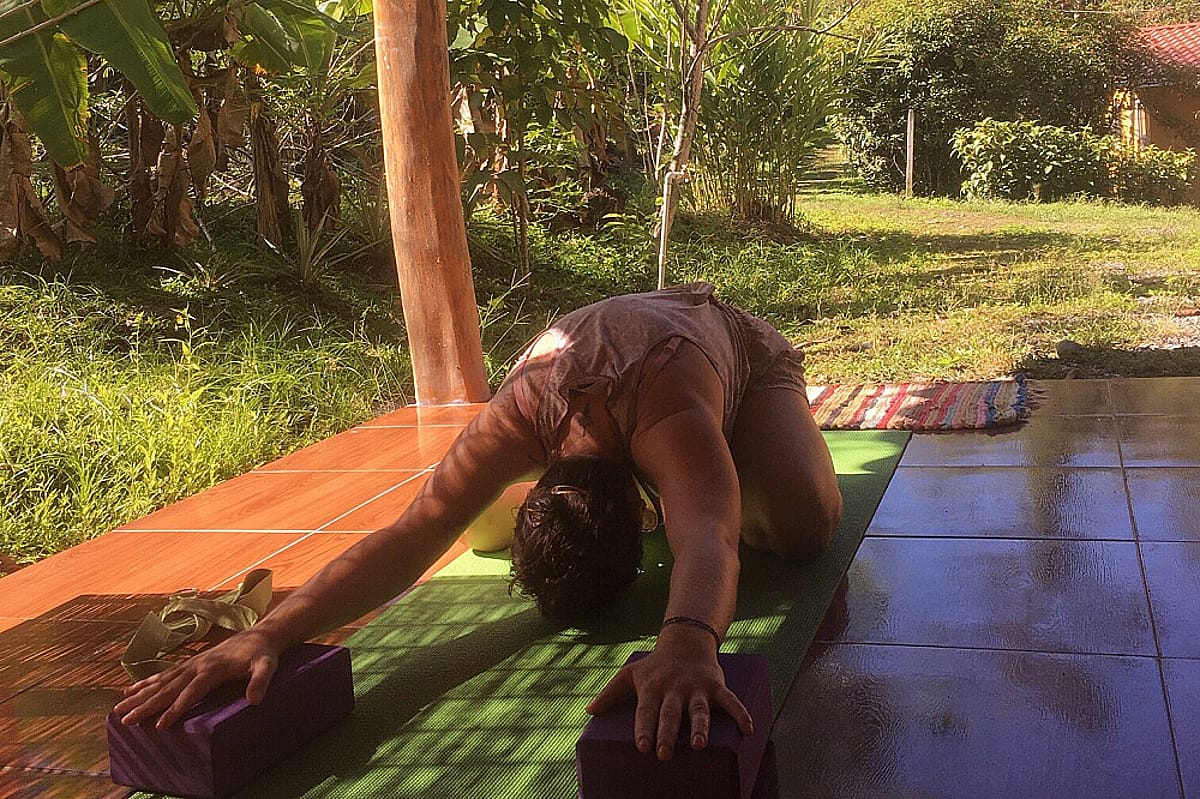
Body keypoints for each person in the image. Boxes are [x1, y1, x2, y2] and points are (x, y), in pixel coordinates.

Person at [115, 282, 842, 762]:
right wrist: (266, 631)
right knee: (459, 520)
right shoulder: (520, 414)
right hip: (620, 383)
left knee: (801, 526)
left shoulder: (665, 405)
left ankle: (702, 465)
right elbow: (408, 535)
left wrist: (687, 643)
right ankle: (651, 491)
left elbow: (711, 531)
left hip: (728, 348)